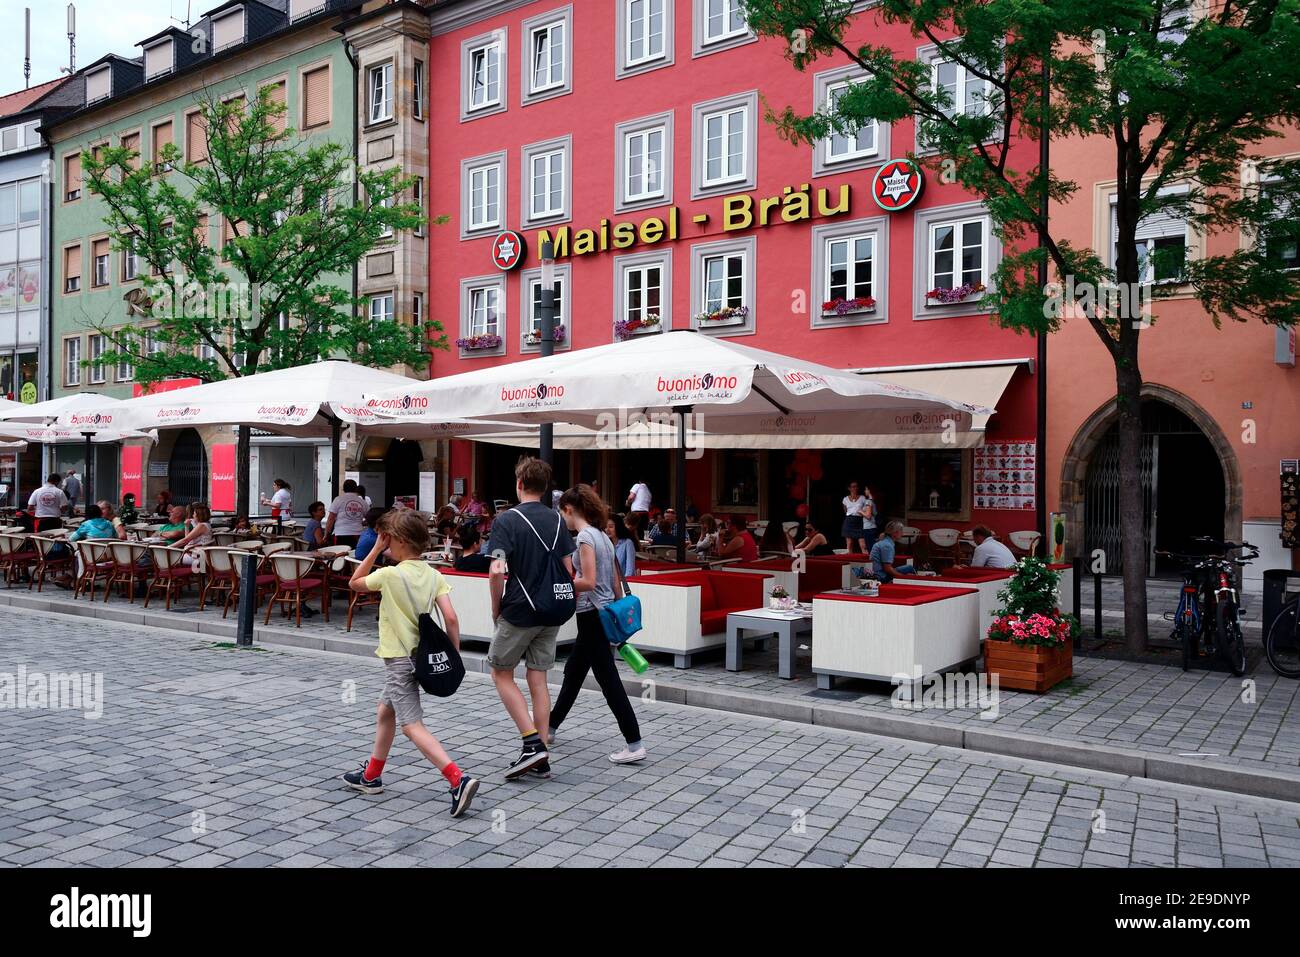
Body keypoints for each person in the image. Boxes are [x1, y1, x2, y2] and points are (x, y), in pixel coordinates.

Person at [343, 508, 479, 817]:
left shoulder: (389, 574)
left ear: (400, 541)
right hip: (424, 658)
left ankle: (458, 779)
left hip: (400, 660)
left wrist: (376, 549)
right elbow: (452, 618)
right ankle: (371, 775)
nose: (385, 543)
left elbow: (354, 582)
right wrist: (453, 655)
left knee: (412, 726)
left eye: (388, 539)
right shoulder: (433, 573)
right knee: (384, 712)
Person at [487, 457, 576, 780]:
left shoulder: (506, 520)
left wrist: (496, 608)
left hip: (521, 609)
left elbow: (497, 569)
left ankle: (532, 744)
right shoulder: (556, 520)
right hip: (554, 607)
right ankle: (542, 757)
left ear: (520, 483)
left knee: (500, 672)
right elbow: (568, 568)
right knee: (538, 679)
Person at [549, 485, 647, 764]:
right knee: (575, 671)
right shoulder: (603, 536)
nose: (563, 520)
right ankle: (551, 727)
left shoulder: (584, 538)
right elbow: (615, 582)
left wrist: (558, 584)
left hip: (591, 613)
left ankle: (634, 742)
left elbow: (588, 581)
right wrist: (614, 609)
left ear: (569, 510)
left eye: (562, 514)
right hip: (602, 613)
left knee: (608, 680)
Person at [325, 479, 369, 548]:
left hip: (341, 533)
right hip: (358, 534)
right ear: (355, 489)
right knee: (354, 555)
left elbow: (331, 519)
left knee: (340, 556)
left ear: (343, 489)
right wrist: (361, 523)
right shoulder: (362, 502)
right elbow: (370, 518)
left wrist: (326, 534)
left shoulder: (338, 499)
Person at [841, 481, 872, 554]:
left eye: (856, 486)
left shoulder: (862, 498)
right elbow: (845, 511)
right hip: (849, 521)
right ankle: (849, 562)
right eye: (853, 486)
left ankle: (867, 562)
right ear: (849, 488)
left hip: (859, 521)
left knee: (863, 545)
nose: (855, 488)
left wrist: (861, 513)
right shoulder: (845, 499)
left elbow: (866, 509)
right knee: (849, 545)